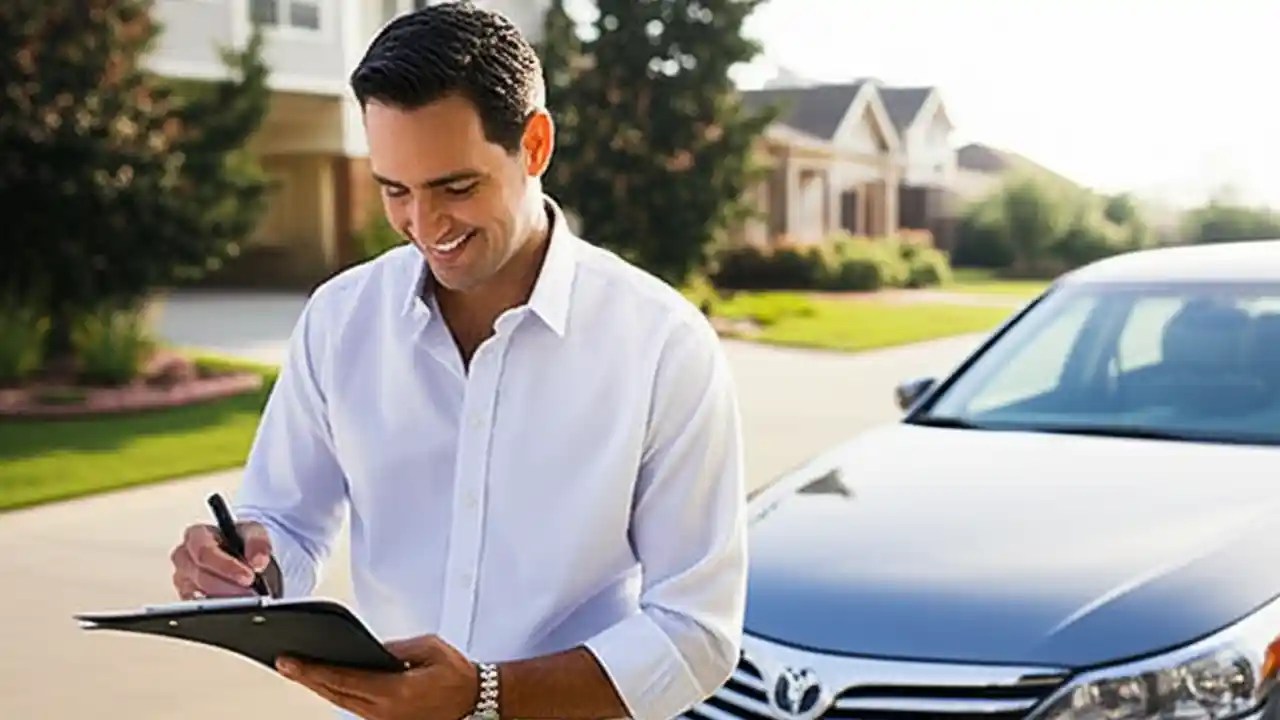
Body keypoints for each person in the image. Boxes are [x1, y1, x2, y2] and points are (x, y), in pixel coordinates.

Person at [167, 3, 748, 720]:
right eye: (394, 190)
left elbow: (697, 632)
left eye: (456, 187)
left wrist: (486, 697)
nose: (425, 225)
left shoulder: (662, 343)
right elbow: (286, 520)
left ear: (535, 145)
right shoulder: (339, 321)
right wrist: (247, 561)